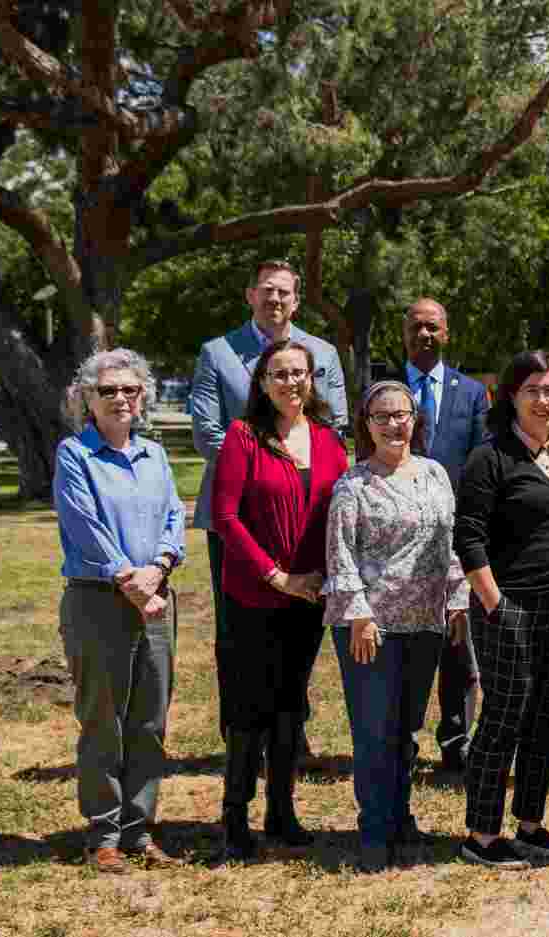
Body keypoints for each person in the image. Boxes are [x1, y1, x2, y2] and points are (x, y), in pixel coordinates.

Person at [191, 260, 346, 744]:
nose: (275, 299)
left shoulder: (321, 353)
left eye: (284, 292)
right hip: (236, 513)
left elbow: (334, 423)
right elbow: (207, 430)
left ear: (296, 300)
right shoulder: (217, 353)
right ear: (250, 295)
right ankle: (240, 729)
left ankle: (288, 729)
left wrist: (294, 475)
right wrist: (259, 468)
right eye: (266, 291)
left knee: (298, 624)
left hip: (303, 510)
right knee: (237, 631)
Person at [209, 339, 349, 862]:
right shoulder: (244, 436)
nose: (291, 382)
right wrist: (275, 575)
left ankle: (281, 810)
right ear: (262, 384)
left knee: (291, 706)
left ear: (312, 379)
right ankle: (235, 817)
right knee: (251, 709)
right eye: (279, 374)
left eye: (299, 373)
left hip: (309, 596)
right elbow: (225, 518)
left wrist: (321, 579)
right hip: (254, 593)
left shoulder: (330, 441)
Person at [454, 351, 549, 870]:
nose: (544, 399)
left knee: (545, 720)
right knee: (504, 717)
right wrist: (493, 602)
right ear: (511, 396)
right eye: (533, 389)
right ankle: (482, 834)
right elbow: (468, 535)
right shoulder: (490, 459)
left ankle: (529, 824)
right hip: (507, 608)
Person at [325, 380, 471, 872]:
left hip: (425, 623)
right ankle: (374, 830)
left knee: (406, 728)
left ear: (415, 419)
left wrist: (458, 601)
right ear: (366, 425)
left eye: (402, 414)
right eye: (382, 416)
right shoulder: (353, 486)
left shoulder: (435, 475)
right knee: (373, 730)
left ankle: (400, 815)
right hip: (370, 627)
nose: (393, 424)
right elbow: (340, 556)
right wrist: (359, 615)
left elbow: (450, 543)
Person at [54, 349, 186, 874]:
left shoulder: (155, 454)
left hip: (157, 594)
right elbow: (85, 526)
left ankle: (139, 830)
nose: (120, 398)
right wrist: (129, 579)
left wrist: (159, 564)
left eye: (130, 389)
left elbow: (176, 513)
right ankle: (103, 835)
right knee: (102, 719)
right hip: (98, 599)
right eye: (107, 390)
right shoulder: (74, 453)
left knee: (150, 719)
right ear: (86, 398)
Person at [402, 298, 490, 776]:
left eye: (433, 327)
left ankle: (455, 741)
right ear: (404, 333)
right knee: (411, 640)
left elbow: (480, 462)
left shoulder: (472, 393)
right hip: (399, 537)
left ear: (447, 333)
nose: (425, 334)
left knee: (458, 642)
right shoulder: (385, 389)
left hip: (457, 534)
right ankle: (405, 738)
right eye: (416, 326)